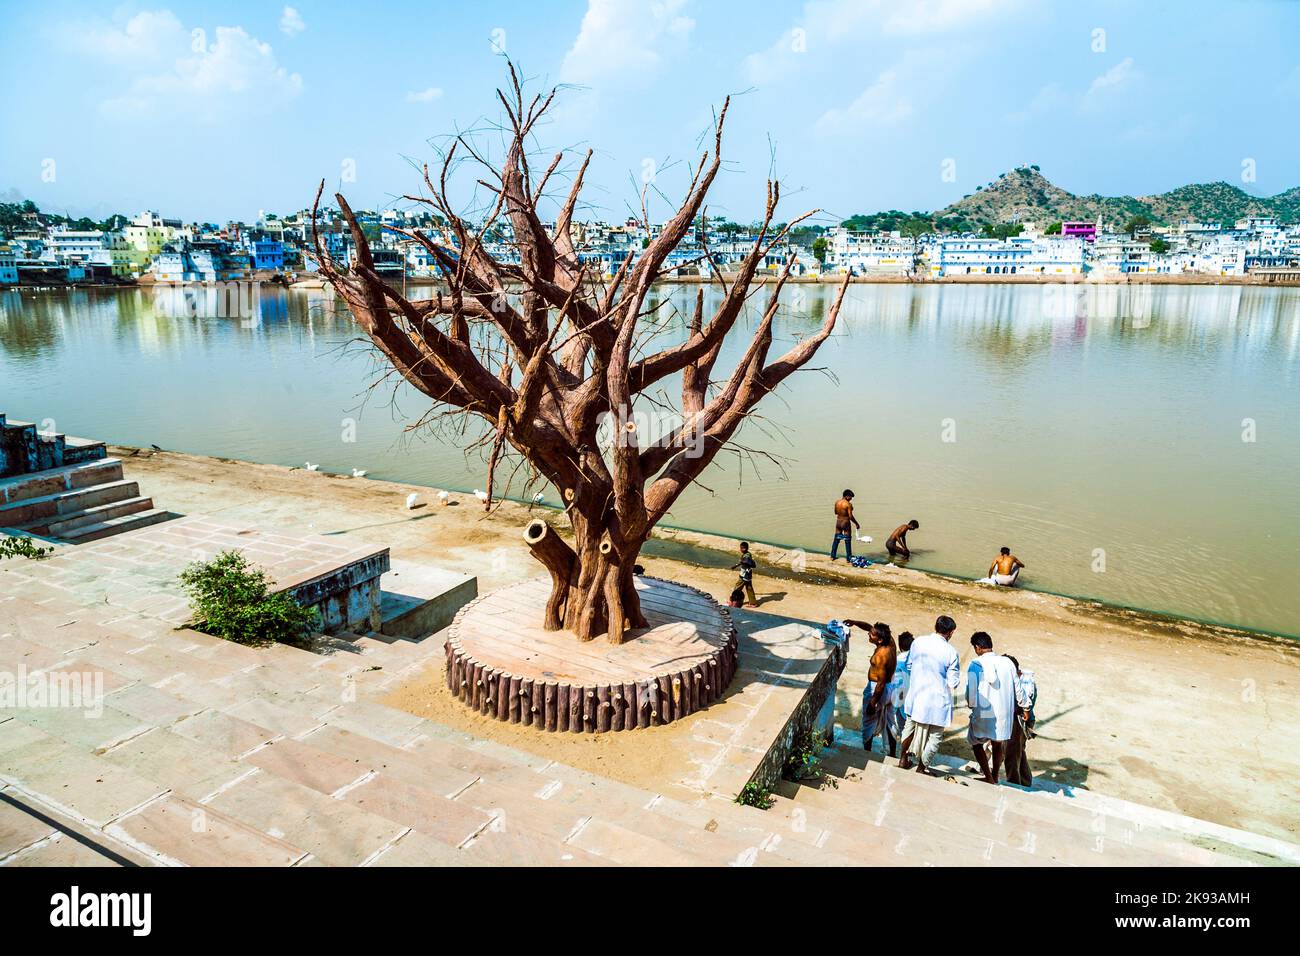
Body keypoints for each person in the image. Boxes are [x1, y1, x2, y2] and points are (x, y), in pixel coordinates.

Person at [898, 615, 961, 775]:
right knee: (934, 737)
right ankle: (921, 767)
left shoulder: (918, 642)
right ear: (951, 632)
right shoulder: (951, 652)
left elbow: (910, 665)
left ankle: (903, 759)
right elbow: (953, 683)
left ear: (936, 626)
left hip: (917, 695)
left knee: (909, 728)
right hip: (938, 701)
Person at [965, 632, 1029, 785]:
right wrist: (1025, 707)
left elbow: (971, 690)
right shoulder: (1008, 663)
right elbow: (1018, 688)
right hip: (1004, 711)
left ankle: (988, 776)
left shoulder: (976, 663)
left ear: (978, 647)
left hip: (984, 710)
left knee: (975, 742)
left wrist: (971, 704)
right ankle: (994, 775)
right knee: (997, 742)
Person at [847, 621, 897, 756]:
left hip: (878, 690)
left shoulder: (881, 656)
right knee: (890, 723)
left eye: (872, 635)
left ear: (879, 640)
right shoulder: (890, 642)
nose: (869, 634)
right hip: (891, 688)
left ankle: (866, 753)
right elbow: (869, 627)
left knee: (868, 722)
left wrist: (872, 702)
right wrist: (855, 622)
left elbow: (880, 683)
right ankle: (892, 754)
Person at [1003, 654, 1033, 786]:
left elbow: (1021, 707)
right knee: (1018, 751)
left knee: (1011, 754)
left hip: (1018, 722)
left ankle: (1014, 783)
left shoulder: (1021, 684)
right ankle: (1026, 780)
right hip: (1021, 721)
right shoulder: (1027, 681)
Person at [888, 632, 914, 748]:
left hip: (898, 696)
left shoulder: (896, 661)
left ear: (900, 646)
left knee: (896, 722)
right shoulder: (916, 660)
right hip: (911, 699)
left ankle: (894, 748)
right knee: (908, 726)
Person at [831, 490, 861, 561]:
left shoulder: (837, 502)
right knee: (847, 539)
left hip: (838, 522)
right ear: (847, 496)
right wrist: (856, 523)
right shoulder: (848, 504)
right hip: (846, 522)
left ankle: (832, 556)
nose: (851, 499)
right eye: (850, 497)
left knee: (836, 538)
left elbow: (835, 512)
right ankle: (848, 557)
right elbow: (850, 516)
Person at [731, 541, 757, 607]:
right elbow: (743, 561)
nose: (742, 549)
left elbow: (745, 561)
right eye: (741, 548)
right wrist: (737, 565)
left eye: (743, 548)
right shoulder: (747, 554)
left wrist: (736, 565)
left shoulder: (747, 556)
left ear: (747, 548)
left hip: (744, 575)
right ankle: (753, 603)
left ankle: (733, 600)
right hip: (748, 575)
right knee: (749, 588)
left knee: (737, 588)